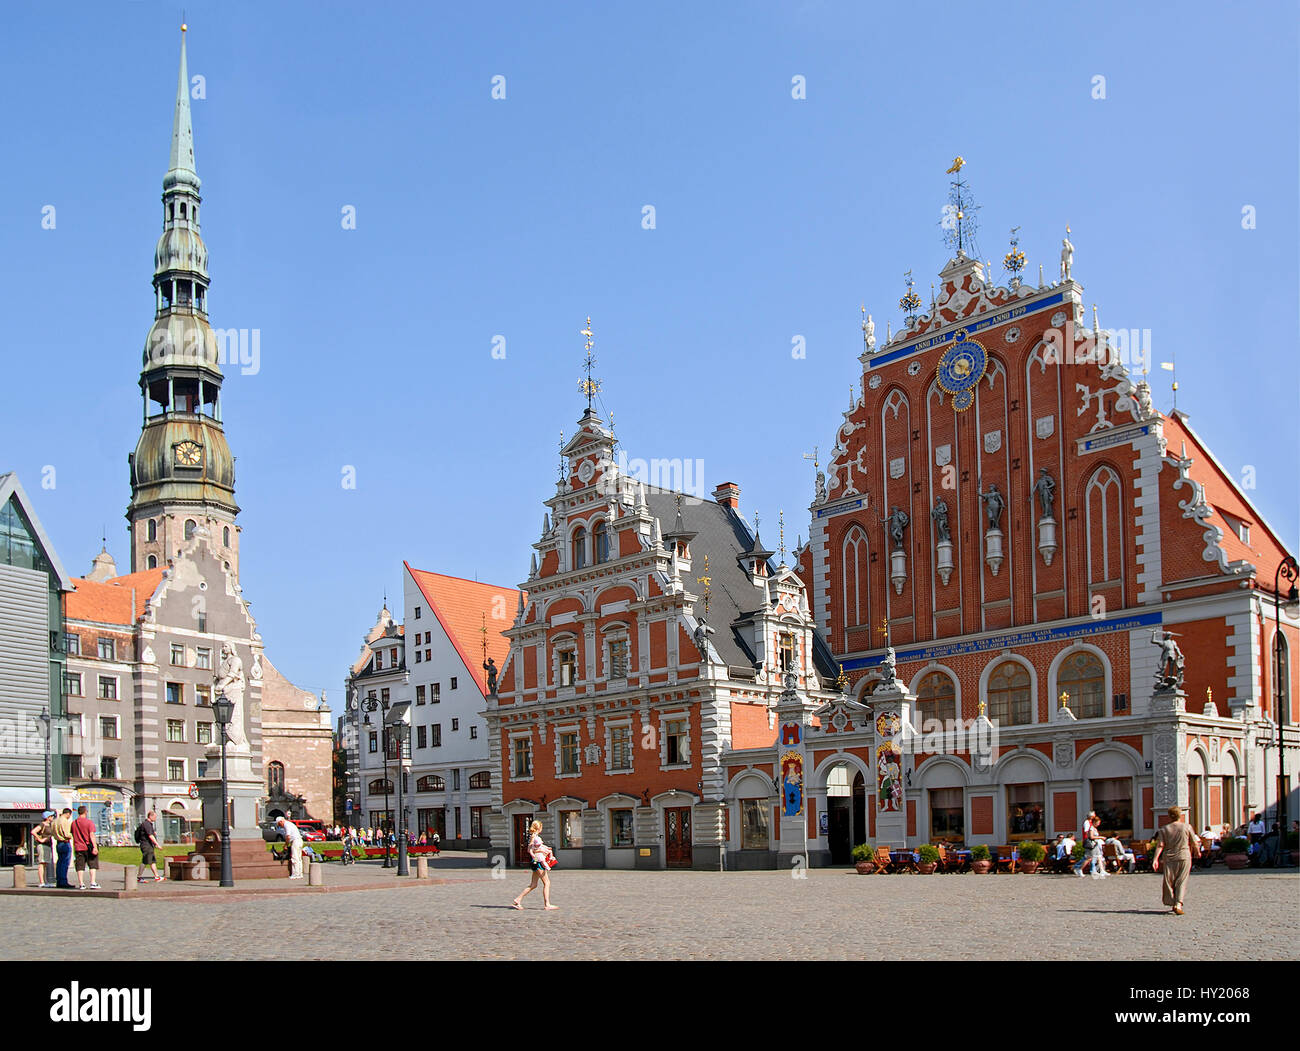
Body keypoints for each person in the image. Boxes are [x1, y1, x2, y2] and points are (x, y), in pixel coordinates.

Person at [1152, 805, 1201, 915]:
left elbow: (1160, 845)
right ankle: (1178, 903)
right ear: (1180, 815)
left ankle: (1171, 900)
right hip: (1184, 856)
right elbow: (1194, 842)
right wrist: (1197, 851)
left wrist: (1155, 859)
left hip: (1169, 857)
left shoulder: (1164, 829)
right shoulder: (1187, 827)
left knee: (1169, 880)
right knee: (1181, 880)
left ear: (1169, 816)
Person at [510, 820, 558, 911]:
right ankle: (547, 904)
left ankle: (518, 899)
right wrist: (542, 851)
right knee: (547, 883)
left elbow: (533, 849)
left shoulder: (534, 836)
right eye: (541, 827)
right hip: (538, 861)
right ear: (539, 828)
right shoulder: (534, 837)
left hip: (536, 861)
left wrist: (545, 849)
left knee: (533, 884)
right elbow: (530, 850)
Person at [71, 805, 101, 890]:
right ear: (85, 812)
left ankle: (81, 883)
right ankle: (92, 882)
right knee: (92, 865)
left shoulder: (74, 823)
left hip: (78, 847)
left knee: (80, 866)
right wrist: (95, 847)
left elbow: (73, 834)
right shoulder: (89, 822)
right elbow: (91, 835)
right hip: (88, 847)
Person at [1075, 811, 1105, 879]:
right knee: (1089, 858)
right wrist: (1099, 837)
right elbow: (1088, 834)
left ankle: (1098, 870)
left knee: (1096, 857)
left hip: (1093, 843)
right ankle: (1078, 868)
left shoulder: (1092, 825)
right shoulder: (1088, 824)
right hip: (1090, 843)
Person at [137, 810, 163, 882]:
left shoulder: (148, 824)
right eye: (155, 817)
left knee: (150, 861)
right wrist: (157, 844)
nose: (155, 818)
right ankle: (140, 877)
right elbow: (150, 835)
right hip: (146, 845)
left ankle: (156, 876)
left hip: (148, 845)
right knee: (147, 861)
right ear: (150, 816)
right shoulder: (147, 824)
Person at [52, 807, 75, 888]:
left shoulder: (55, 821)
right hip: (65, 842)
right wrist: (71, 836)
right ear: (68, 814)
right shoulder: (64, 821)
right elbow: (66, 834)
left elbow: (53, 832)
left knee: (59, 863)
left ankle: (59, 880)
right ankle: (63, 881)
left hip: (58, 843)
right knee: (65, 863)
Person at [32, 812, 55, 888]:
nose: (53, 817)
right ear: (48, 817)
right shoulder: (42, 824)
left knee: (45, 863)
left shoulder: (50, 825)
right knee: (42, 863)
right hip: (42, 845)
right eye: (51, 816)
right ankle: (41, 881)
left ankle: (45, 881)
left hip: (48, 845)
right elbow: (33, 831)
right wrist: (40, 839)